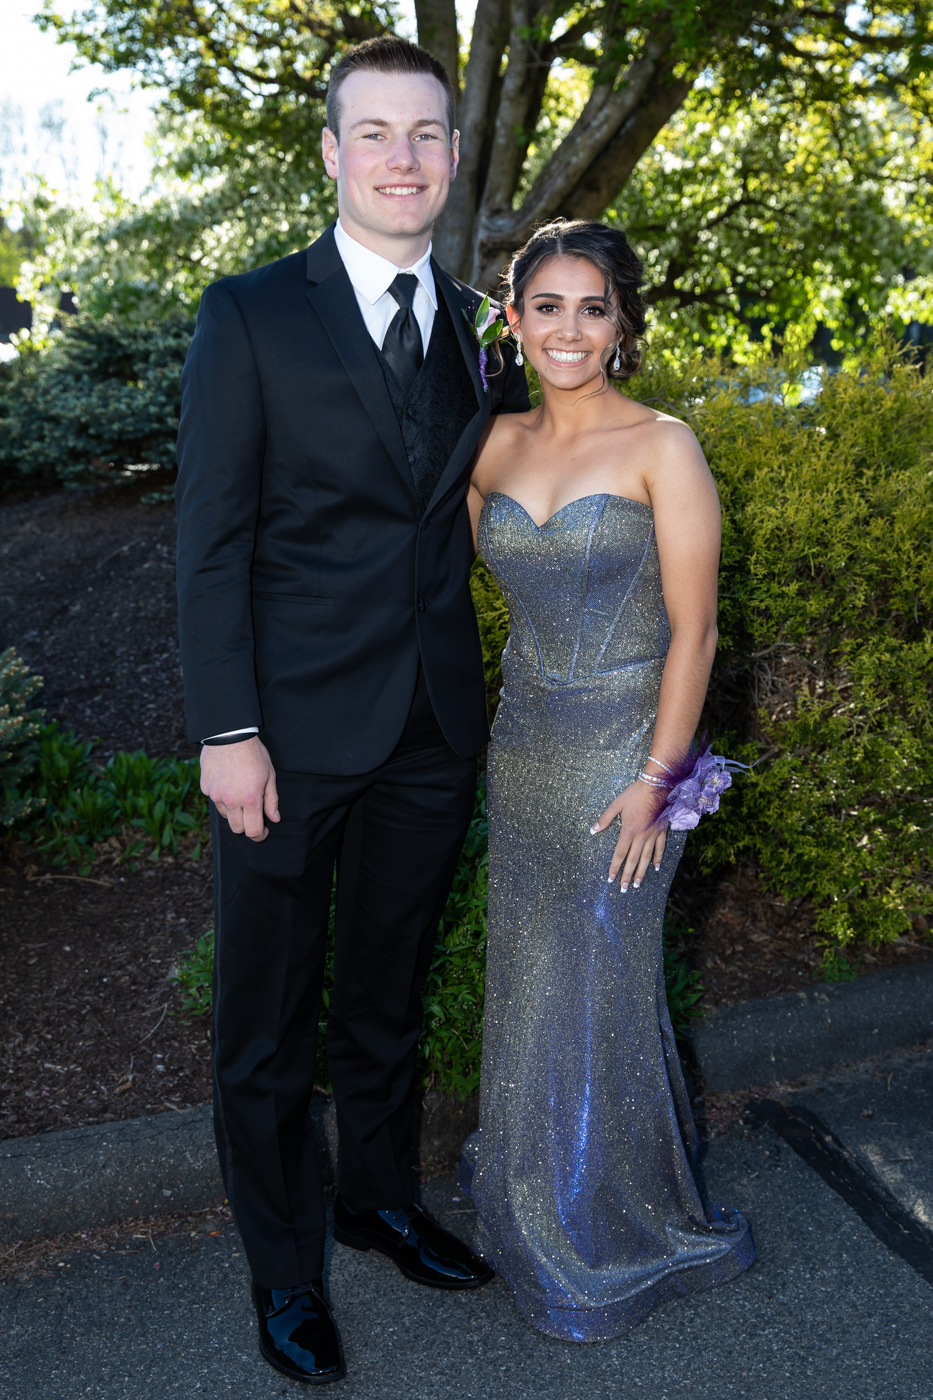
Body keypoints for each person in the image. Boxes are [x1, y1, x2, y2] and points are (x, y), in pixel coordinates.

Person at [175, 36, 529, 1385]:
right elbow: (211, 542)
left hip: (433, 725)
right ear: (329, 153)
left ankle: (377, 1202)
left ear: (451, 155)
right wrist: (225, 729)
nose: (401, 156)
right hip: (284, 733)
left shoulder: (475, 324)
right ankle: (282, 1272)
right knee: (267, 1022)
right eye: (373, 132)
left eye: (425, 134)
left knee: (384, 993)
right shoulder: (249, 313)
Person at [461, 219, 755, 1342]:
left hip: (631, 754)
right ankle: (535, 1193)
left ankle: (606, 1223)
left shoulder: (662, 445)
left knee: (597, 974)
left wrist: (657, 777)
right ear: (515, 317)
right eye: (547, 305)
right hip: (523, 743)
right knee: (531, 972)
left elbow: (698, 631)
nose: (568, 328)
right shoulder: (488, 447)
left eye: (592, 307)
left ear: (621, 323)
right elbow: (436, 591)